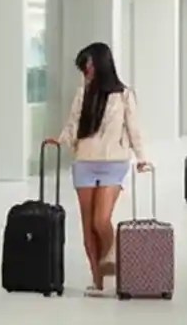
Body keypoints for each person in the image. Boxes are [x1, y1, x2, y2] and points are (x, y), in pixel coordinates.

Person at [45, 42, 148, 297]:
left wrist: (142, 157)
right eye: (83, 68)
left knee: (101, 220)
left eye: (88, 66)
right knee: (87, 227)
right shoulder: (83, 94)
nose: (86, 72)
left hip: (114, 162)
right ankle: (98, 281)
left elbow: (134, 128)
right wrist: (60, 140)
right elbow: (73, 124)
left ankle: (112, 256)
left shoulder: (124, 95)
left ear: (101, 64)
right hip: (84, 163)